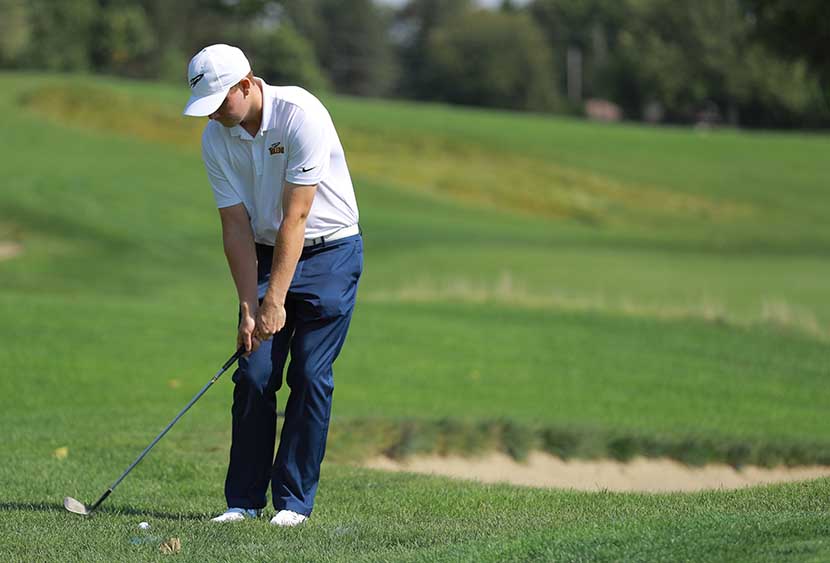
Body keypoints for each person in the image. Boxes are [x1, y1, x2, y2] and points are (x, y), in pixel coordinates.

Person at [182, 44, 362, 527]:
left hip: (329, 253)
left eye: (222, 101)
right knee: (255, 373)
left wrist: (275, 299)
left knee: (309, 375)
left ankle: (293, 503)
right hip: (264, 252)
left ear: (247, 84)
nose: (217, 114)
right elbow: (235, 227)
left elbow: (297, 216)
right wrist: (248, 305)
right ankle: (242, 501)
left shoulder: (301, 114)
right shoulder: (215, 139)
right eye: (208, 107)